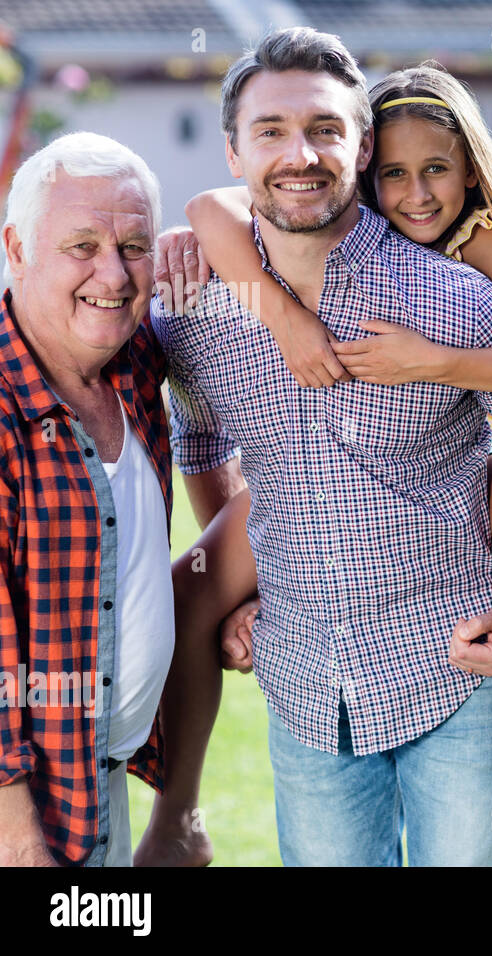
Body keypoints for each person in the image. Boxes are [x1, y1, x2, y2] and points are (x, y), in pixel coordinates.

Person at [145, 27, 492, 867]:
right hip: (307, 687)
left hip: (455, 669)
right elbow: (199, 431)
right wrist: (244, 585)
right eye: (272, 132)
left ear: (360, 149)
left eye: (325, 129)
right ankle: (178, 819)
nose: (300, 153)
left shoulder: (455, 298)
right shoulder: (194, 313)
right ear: (234, 152)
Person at [0, 132, 171, 866]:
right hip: (25, 812)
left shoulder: (130, 366)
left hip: (97, 783)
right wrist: (16, 837)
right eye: (81, 245)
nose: (114, 273)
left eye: (135, 246)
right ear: (17, 247)